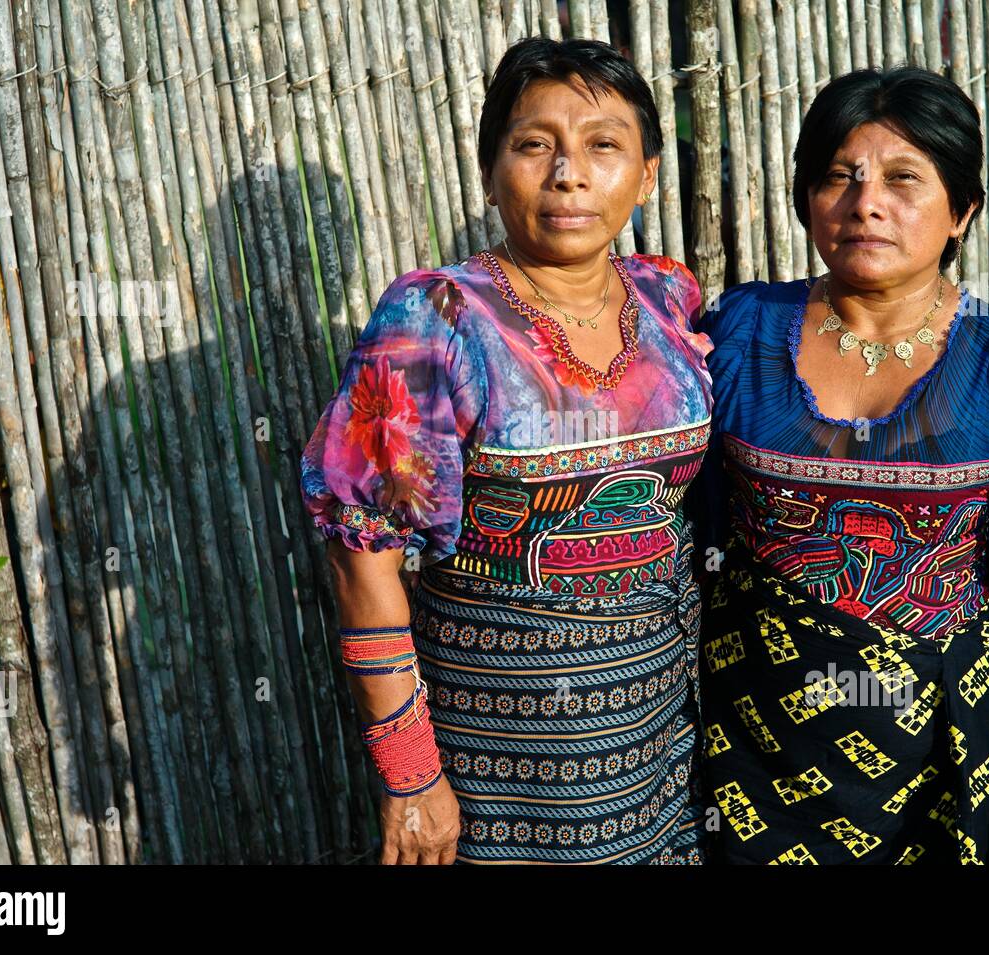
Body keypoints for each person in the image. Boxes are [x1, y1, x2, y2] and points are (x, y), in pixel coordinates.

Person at [690, 67, 989, 865]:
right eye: (838, 177)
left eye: (903, 179)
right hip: (756, 746)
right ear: (807, 198)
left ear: (961, 209)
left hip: (947, 749)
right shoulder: (741, 332)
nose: (866, 202)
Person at [300, 37, 714, 864]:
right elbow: (363, 557)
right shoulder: (438, 319)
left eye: (603, 145)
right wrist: (412, 774)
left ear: (647, 174)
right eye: (534, 145)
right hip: (501, 758)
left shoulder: (667, 297)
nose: (568, 173)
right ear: (491, 171)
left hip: (664, 739)